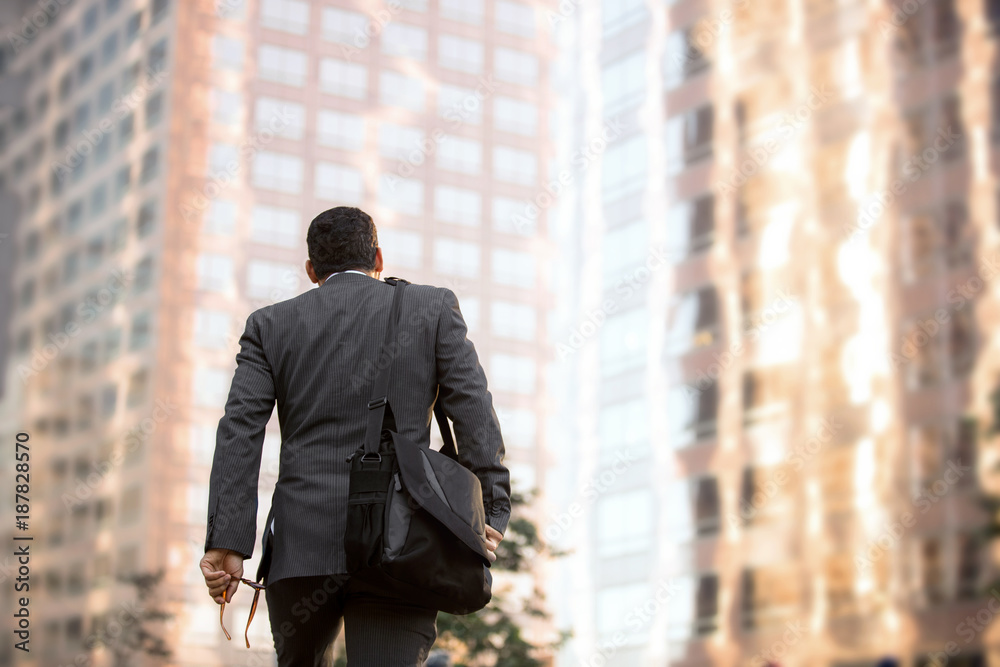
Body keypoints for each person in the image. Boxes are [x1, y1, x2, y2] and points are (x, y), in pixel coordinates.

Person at [199, 206, 511, 666]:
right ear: (378, 258)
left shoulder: (268, 325)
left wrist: (227, 540)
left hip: (301, 548)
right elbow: (474, 413)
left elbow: (239, 431)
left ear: (311, 270)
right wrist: (493, 507)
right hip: (401, 542)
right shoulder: (431, 308)